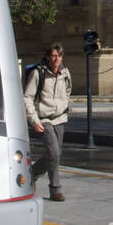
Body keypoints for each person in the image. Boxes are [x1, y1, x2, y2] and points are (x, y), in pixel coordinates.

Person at [23, 43, 71, 202]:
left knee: (56, 154)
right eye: (53, 56)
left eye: (59, 56)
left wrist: (63, 106)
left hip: (60, 118)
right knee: (54, 153)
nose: (56, 59)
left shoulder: (65, 73)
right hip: (44, 119)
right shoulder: (38, 74)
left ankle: (31, 173)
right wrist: (34, 119)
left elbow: (68, 91)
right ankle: (55, 189)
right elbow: (27, 98)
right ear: (48, 57)